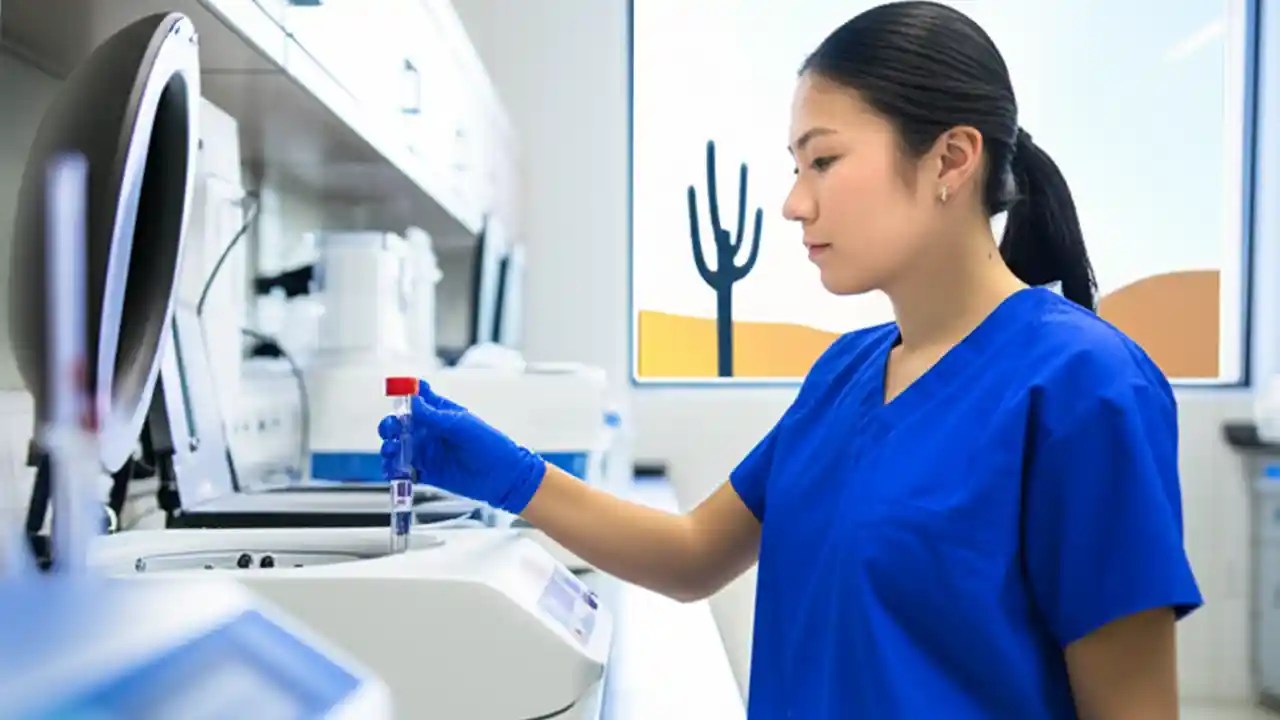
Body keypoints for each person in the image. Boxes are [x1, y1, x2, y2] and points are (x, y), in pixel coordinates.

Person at [378, 2, 1203, 717]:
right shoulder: (846, 373)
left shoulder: (1086, 387)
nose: (794, 202)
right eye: (795, 166)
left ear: (953, 158)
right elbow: (694, 553)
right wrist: (509, 474)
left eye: (824, 160)